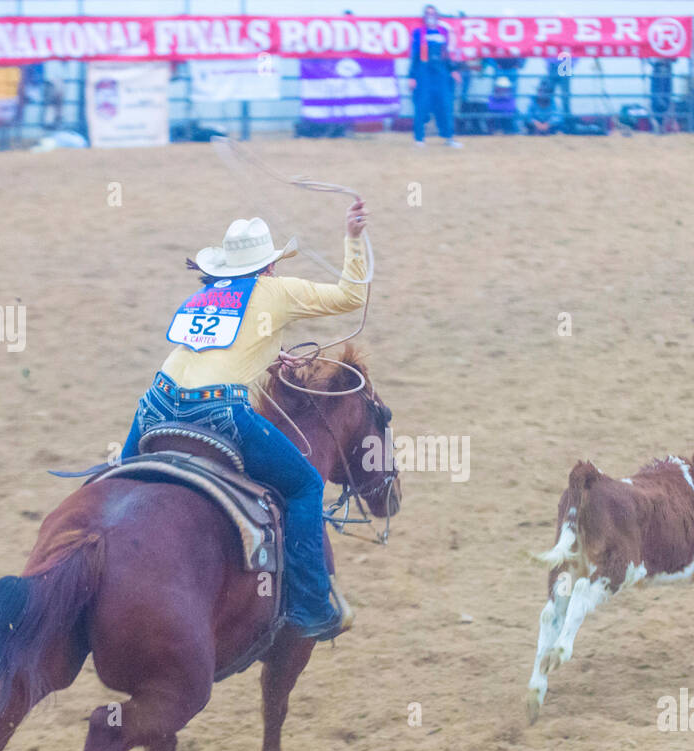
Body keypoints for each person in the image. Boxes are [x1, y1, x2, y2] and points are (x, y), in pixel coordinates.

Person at [118, 203, 370, 641]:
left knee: (119, 483)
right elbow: (351, 296)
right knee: (306, 485)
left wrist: (270, 354)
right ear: (269, 264)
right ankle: (310, 606)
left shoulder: (206, 294)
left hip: (154, 406)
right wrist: (353, 238)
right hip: (215, 412)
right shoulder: (274, 291)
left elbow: (221, 347)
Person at [408, 4, 462, 147]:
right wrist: (412, 76)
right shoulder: (419, 32)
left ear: (437, 16)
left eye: (433, 13)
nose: (431, 16)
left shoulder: (443, 32)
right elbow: (414, 55)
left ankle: (448, 137)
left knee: (445, 105)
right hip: (424, 73)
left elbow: (447, 53)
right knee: (422, 105)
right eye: (428, 13)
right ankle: (419, 138)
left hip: (441, 73)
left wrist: (452, 69)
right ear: (424, 17)